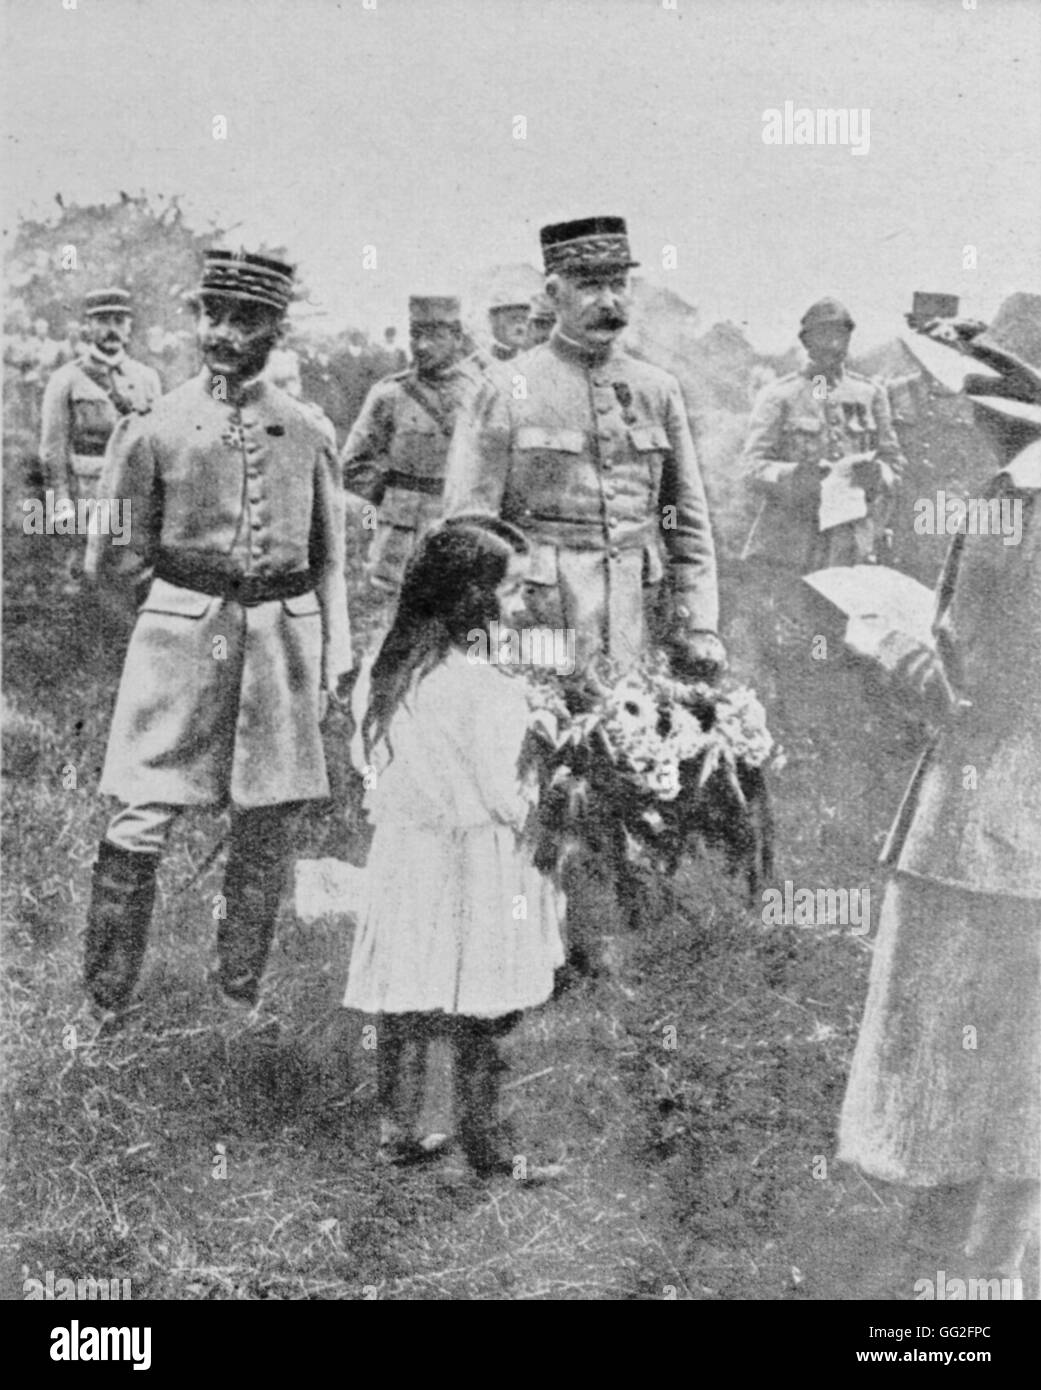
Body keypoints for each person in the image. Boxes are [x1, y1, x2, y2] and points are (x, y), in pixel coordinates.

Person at [443, 215, 723, 974]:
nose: (608, 302)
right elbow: (467, 528)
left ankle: (616, 935)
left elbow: (685, 523)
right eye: (590, 285)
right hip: (536, 616)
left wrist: (699, 626)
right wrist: (478, 628)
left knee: (633, 759)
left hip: (632, 614)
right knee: (537, 771)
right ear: (552, 292)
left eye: (618, 283)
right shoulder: (505, 388)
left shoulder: (656, 390)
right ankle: (529, 944)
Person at [82, 249, 353, 1025]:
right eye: (212, 316)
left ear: (277, 327)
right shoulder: (153, 426)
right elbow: (112, 556)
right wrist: (170, 620)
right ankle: (106, 1002)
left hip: (280, 648)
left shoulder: (306, 430)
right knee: (142, 813)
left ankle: (239, 995)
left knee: (266, 822)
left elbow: (329, 557)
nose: (224, 334)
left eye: (245, 320)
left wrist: (333, 653)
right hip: (180, 643)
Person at [838, 317, 1041, 1298]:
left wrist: (894, 648)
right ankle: (1001, 1248)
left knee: (960, 1035)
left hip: (986, 816)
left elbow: (974, 680)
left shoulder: (1013, 509)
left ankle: (969, 1273)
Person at [344, 520, 564, 1174]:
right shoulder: (488, 690)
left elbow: (366, 761)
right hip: (479, 860)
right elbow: (504, 796)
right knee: (483, 1000)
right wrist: (546, 757)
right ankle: (485, 1142)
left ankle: (398, 1129)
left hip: (407, 855)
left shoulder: (386, 672)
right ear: (474, 599)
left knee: (406, 992)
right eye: (513, 590)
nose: (521, 604)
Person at [341, 295, 481, 618]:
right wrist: (394, 494)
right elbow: (352, 464)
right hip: (398, 541)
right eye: (416, 335)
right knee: (390, 624)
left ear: (457, 337)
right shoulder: (389, 395)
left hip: (459, 532)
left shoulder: (483, 395)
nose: (422, 345)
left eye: (434, 336)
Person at [39, 289, 162, 593]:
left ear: (129, 326)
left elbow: (157, 444)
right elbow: (52, 451)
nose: (111, 329)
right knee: (85, 577)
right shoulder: (66, 379)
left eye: (119, 321)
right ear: (87, 327)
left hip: (133, 494)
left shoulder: (147, 378)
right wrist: (60, 507)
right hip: (88, 493)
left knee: (130, 574)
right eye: (103, 320)